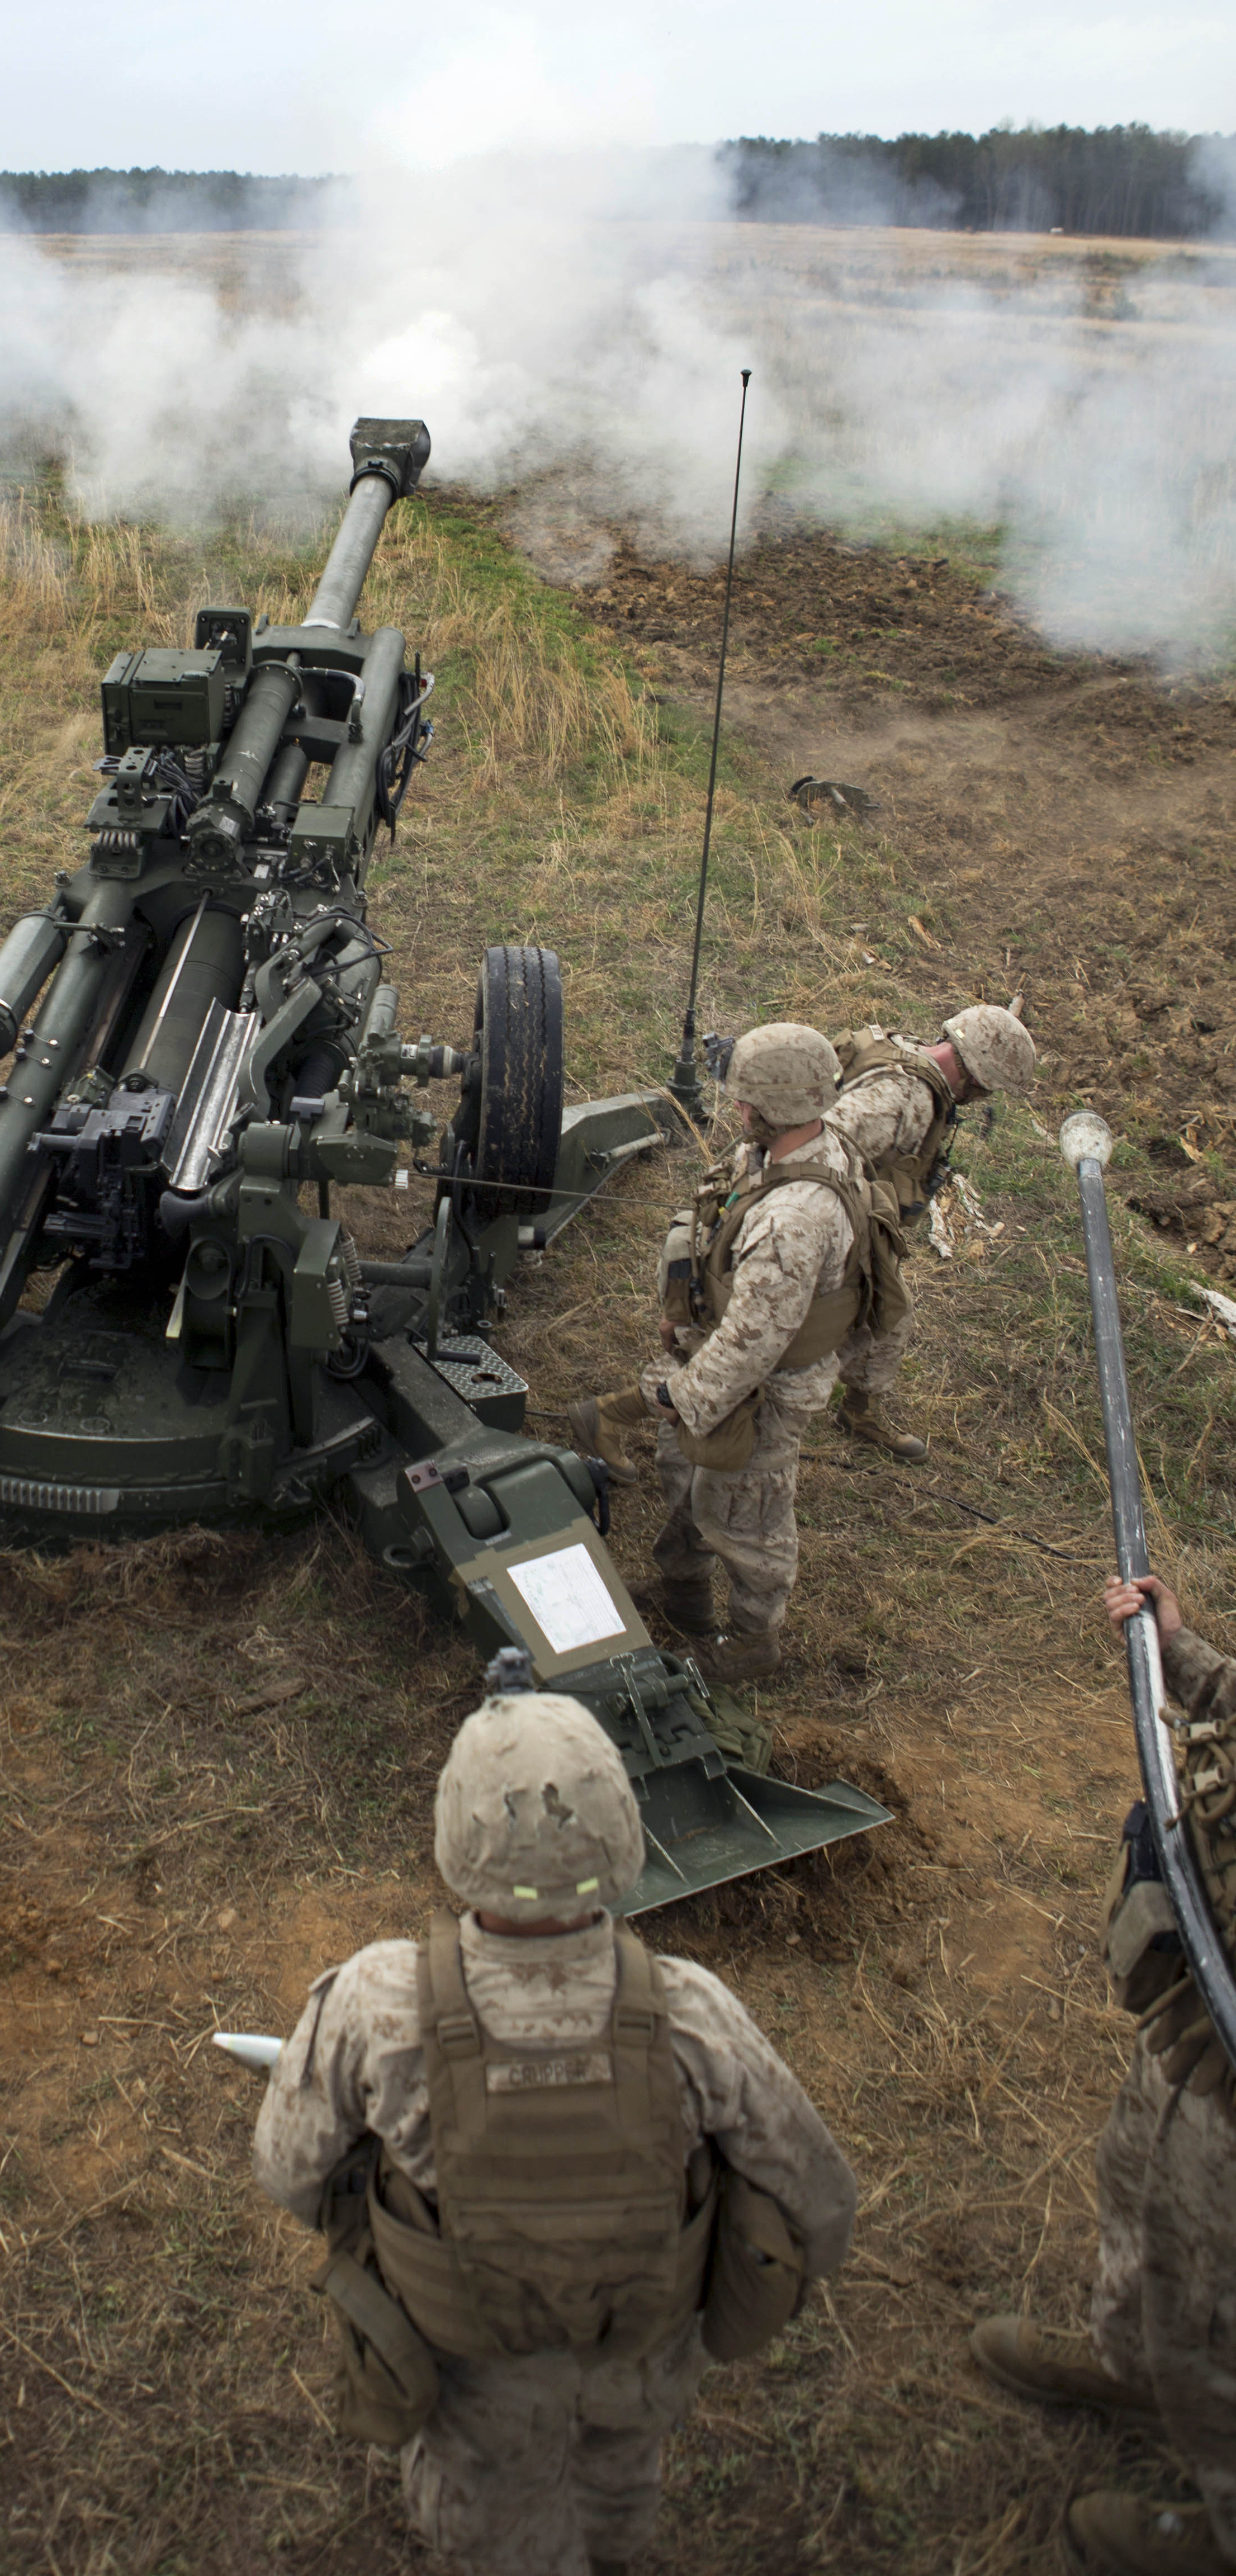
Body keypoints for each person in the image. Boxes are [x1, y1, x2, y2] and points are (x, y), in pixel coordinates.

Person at [250, 1676, 856, 2575]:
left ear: (458, 1836)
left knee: (493, 2529)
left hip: (470, 2373)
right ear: (619, 1832)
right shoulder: (692, 2013)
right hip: (639, 2358)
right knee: (617, 2491)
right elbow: (820, 2200)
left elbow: (288, 2172)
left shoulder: (377, 2003)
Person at [970, 1570, 1236, 2575]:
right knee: (1136, 2173)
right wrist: (1185, 1655)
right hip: (1197, 2021)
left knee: (1223, 2315)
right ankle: (1130, 2360)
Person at [559, 1023, 885, 1685]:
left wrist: (669, 1397)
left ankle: (749, 1645)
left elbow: (751, 1346)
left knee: (746, 1515)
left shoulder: (796, 1219)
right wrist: (679, 1319)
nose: (736, 1110)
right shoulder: (785, 1150)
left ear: (776, 1108)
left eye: (745, 1101)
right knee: (685, 1470)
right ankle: (685, 1595)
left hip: (764, 1389)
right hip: (721, 1352)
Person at [823, 1001, 1039, 1463]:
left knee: (893, 1316)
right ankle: (771, 1405)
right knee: (846, 1327)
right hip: (827, 1223)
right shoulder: (906, 1096)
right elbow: (825, 1152)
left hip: (859, 1221)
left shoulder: (909, 1056)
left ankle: (859, 1412)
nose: (982, 1099)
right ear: (976, 1077)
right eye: (985, 1090)